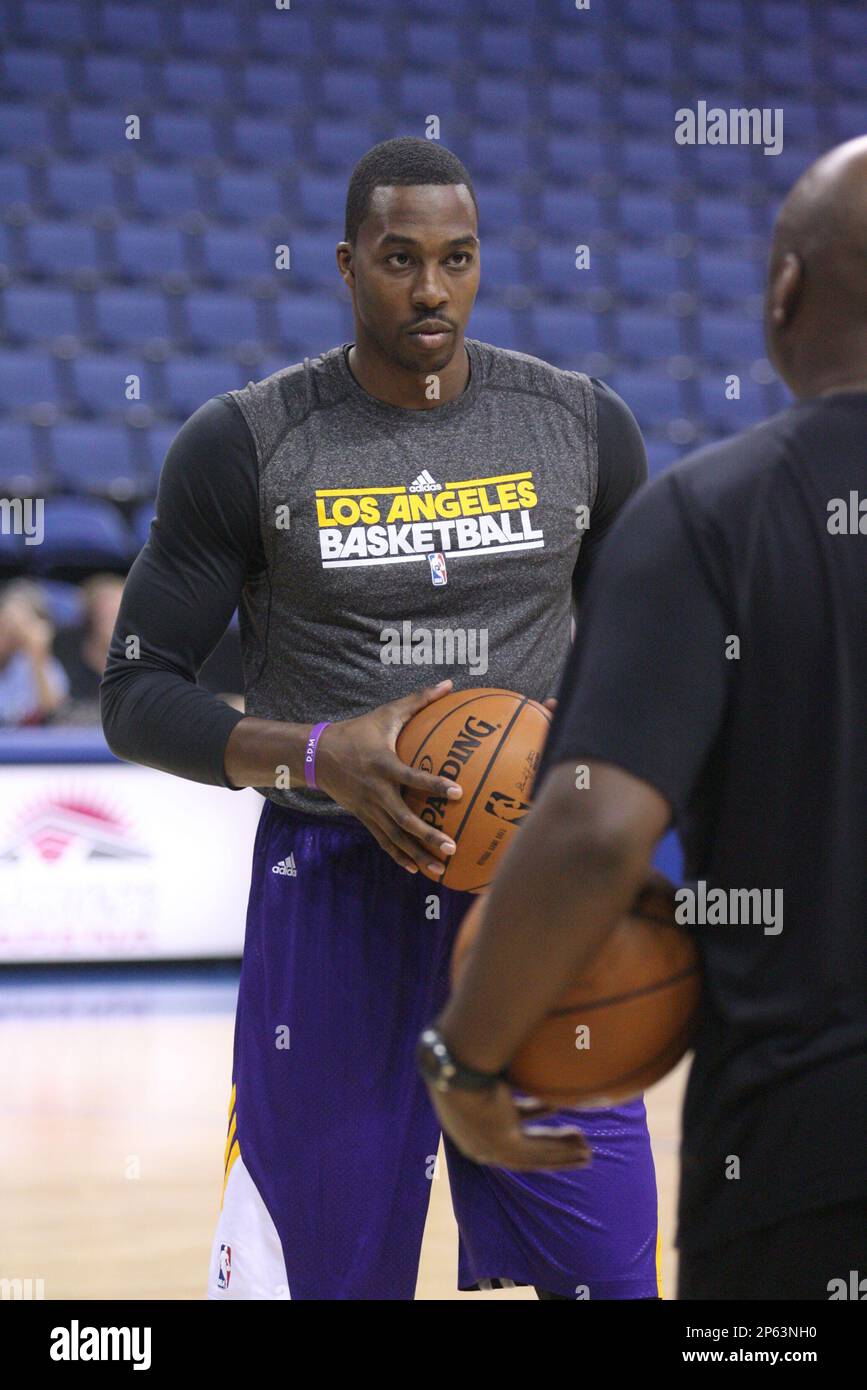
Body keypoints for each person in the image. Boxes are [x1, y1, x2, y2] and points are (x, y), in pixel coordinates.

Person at [102, 137, 656, 1300]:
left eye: (456, 259)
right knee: (318, 1282)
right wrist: (315, 753)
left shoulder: (580, 427)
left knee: (608, 1275)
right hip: (334, 891)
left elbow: (648, 664)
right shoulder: (247, 443)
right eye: (400, 260)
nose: (431, 290)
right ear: (348, 264)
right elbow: (136, 695)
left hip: (534, 904)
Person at [422, 137, 867, 1301]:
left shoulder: (712, 516)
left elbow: (590, 831)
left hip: (809, 1154)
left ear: (784, 290)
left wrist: (466, 1062)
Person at [54, 574, 124, 721]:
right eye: (108, 615)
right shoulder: (63, 649)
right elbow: (53, 710)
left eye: (122, 614)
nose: (116, 624)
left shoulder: (140, 654)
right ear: (91, 618)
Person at [0, 579, 68, 726]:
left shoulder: (45, 664)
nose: (12, 631)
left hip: (29, 746)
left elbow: (53, 714)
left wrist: (37, 653)